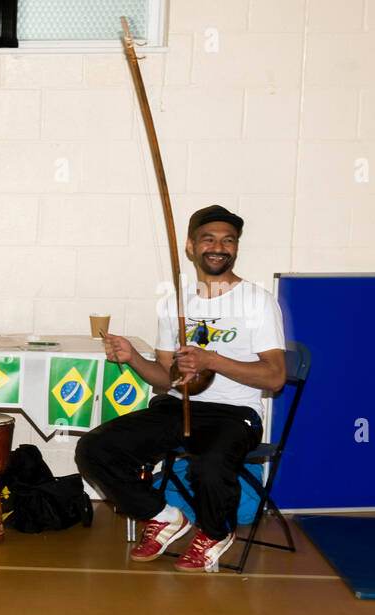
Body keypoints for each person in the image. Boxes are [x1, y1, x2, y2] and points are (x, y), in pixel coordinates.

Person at [75, 205, 286, 572]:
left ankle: (216, 531)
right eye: (209, 239)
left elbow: (274, 377)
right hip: (177, 406)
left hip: (235, 414)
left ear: (236, 248)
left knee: (208, 464)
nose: (218, 247)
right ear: (191, 247)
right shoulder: (175, 302)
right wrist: (133, 358)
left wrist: (213, 361)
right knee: (96, 447)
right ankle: (163, 516)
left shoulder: (257, 302)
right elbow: (165, 377)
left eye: (228, 241)